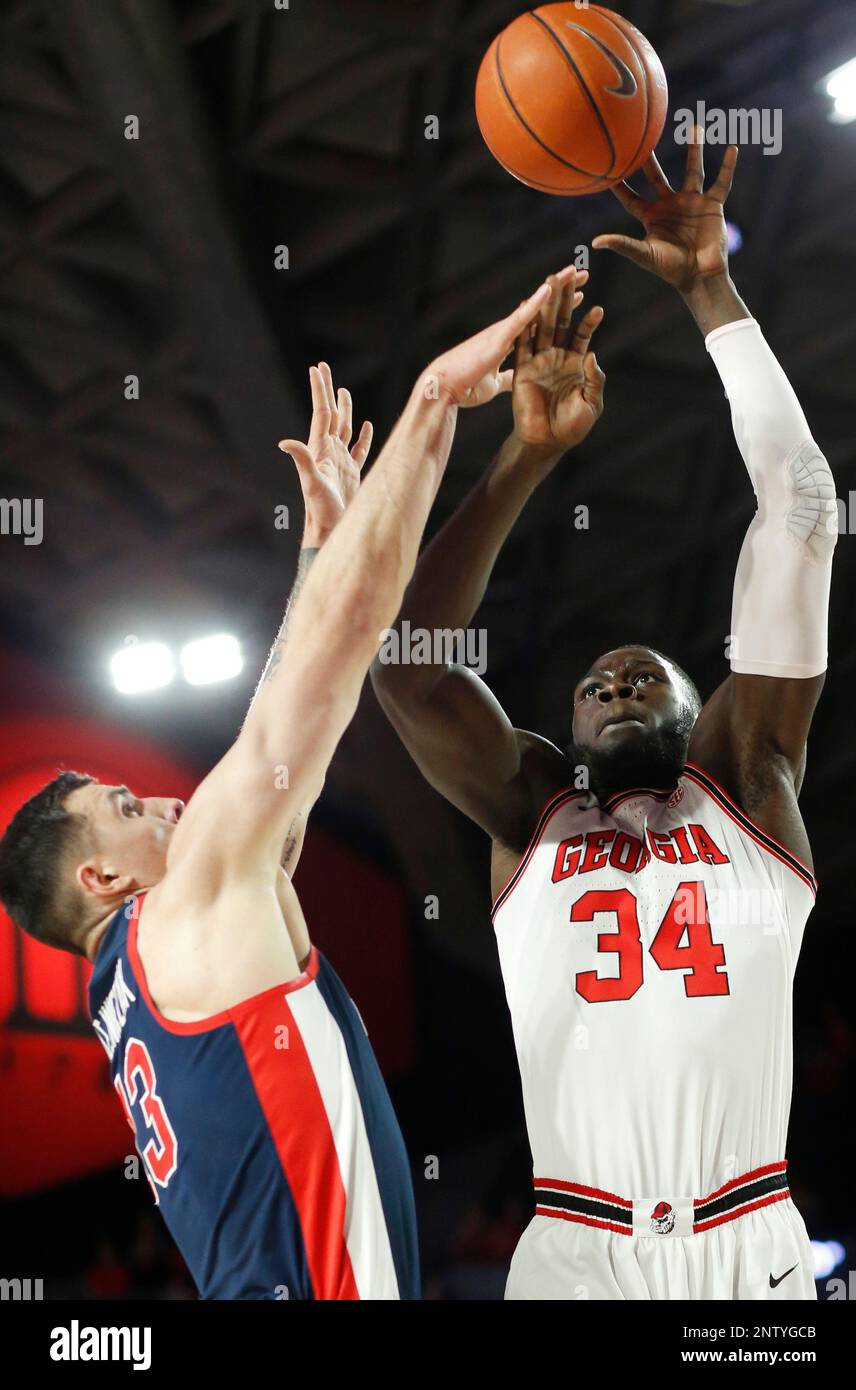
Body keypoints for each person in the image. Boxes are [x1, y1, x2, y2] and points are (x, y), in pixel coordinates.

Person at [0, 277, 554, 1300]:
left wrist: (321, 546)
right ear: (99, 875)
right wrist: (433, 402)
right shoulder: (181, 914)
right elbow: (326, 671)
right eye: (127, 808)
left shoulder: (144, 978)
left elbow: (281, 774)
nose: (163, 801)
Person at [372, 133, 837, 1300]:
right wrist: (521, 460)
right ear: (563, 735)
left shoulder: (751, 775)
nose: (618, 684)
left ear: (704, 703)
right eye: (596, 683)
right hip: (576, 1253)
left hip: (751, 1247)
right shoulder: (532, 812)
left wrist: (712, 296)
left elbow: (799, 508)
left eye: (643, 676)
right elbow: (408, 669)